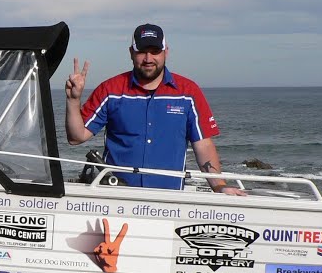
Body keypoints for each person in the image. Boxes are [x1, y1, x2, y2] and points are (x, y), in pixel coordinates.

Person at [64, 23, 247, 195]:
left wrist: (220, 186)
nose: (148, 59)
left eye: (155, 51)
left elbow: (203, 146)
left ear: (166, 52)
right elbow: (76, 137)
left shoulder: (188, 93)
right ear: (131, 53)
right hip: (117, 197)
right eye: (142, 51)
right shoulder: (110, 90)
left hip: (168, 200)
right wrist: (73, 100)